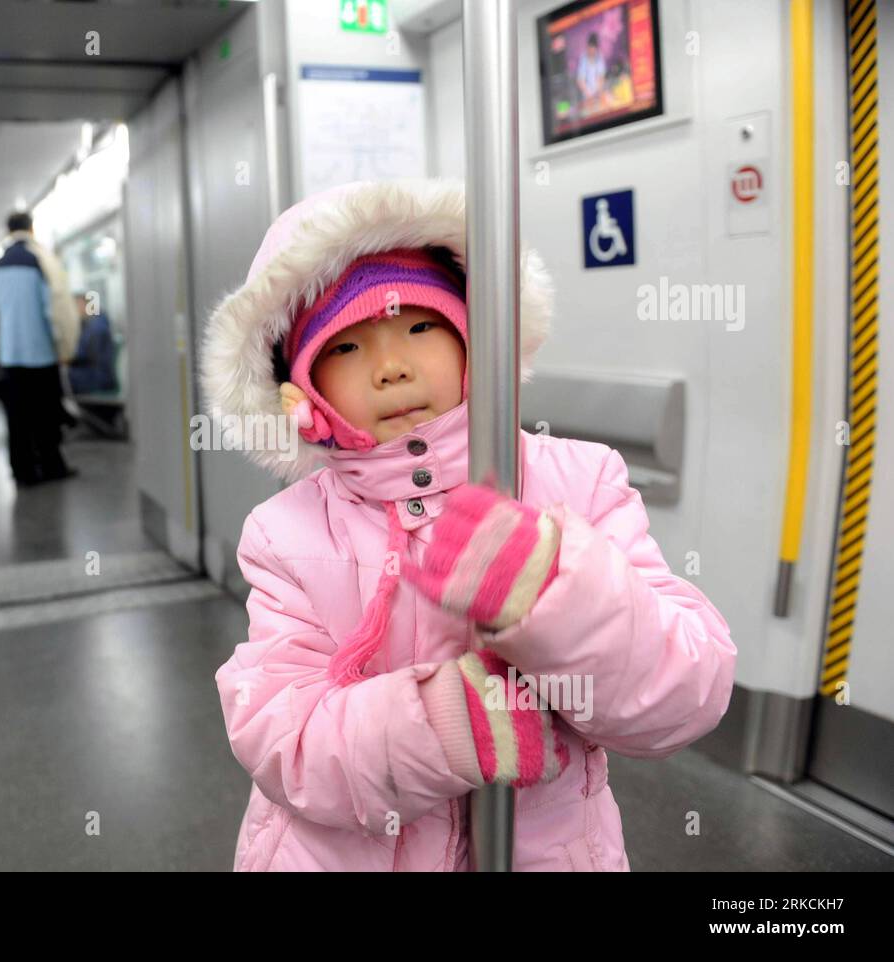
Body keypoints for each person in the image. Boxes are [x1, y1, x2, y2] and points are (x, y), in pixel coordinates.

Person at [198, 177, 737, 871]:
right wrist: (443, 730)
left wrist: (556, 595)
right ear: (301, 390)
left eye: (421, 328)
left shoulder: (576, 484)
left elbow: (685, 693)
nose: (391, 368)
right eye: (347, 348)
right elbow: (280, 733)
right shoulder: (287, 535)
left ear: (475, 341)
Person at [0, 211, 78, 485]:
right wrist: (64, 346)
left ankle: (22, 471)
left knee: (17, 417)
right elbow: (54, 311)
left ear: (8, 231)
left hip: (10, 355)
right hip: (42, 353)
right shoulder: (41, 262)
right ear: (31, 229)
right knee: (47, 415)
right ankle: (52, 466)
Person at [66, 292, 118, 394]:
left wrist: (68, 357)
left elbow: (86, 354)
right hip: (96, 374)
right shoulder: (93, 324)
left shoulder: (96, 327)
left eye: (75, 306)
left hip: (98, 378)